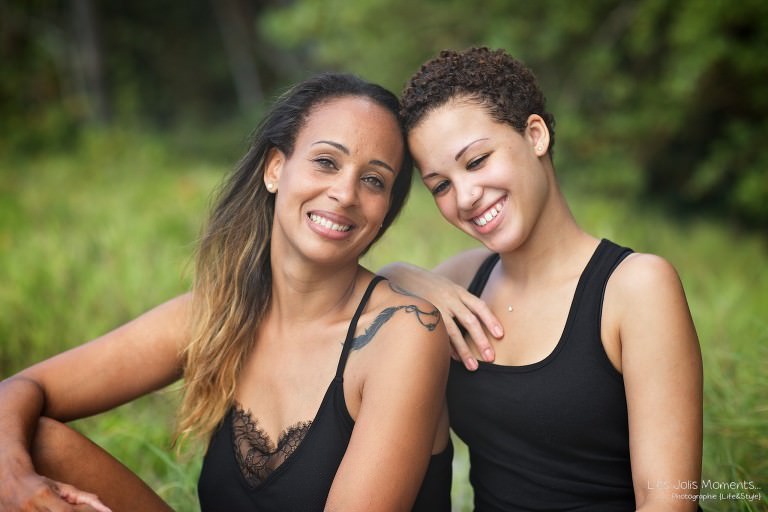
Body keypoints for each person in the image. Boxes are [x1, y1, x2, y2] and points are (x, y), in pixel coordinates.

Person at [0, 73, 452, 512]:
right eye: (326, 162)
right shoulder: (217, 314)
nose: (345, 192)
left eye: (374, 180)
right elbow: (24, 387)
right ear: (276, 169)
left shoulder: (402, 334)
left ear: (385, 210)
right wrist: (14, 479)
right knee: (33, 443)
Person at [382, 47, 703, 511]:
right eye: (441, 186)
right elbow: (364, 298)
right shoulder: (461, 280)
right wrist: (404, 275)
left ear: (535, 135)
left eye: (476, 161)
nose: (466, 196)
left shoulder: (635, 288)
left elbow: (669, 502)